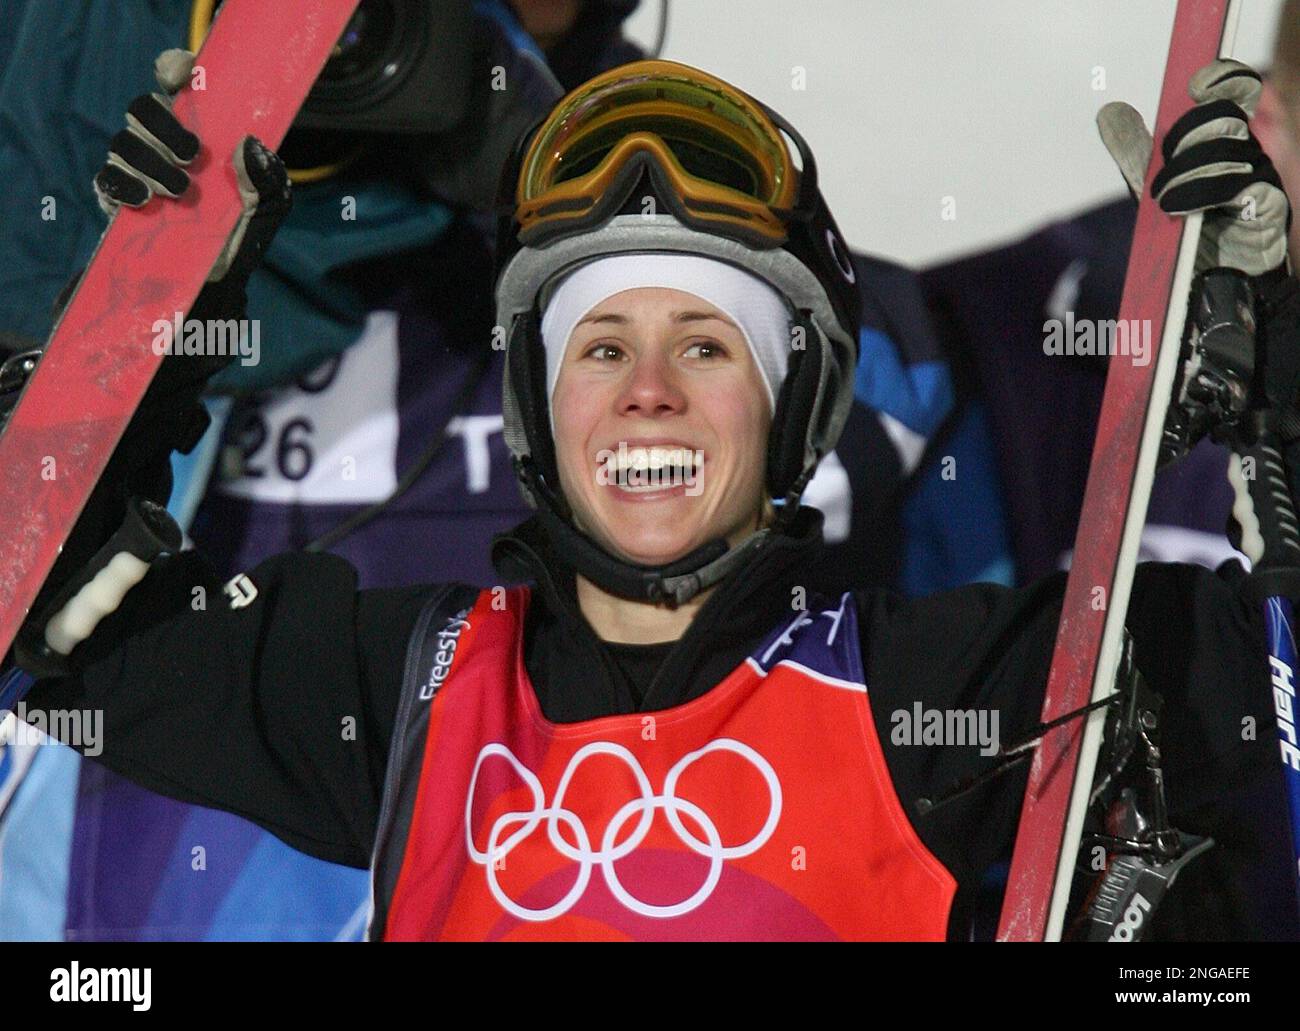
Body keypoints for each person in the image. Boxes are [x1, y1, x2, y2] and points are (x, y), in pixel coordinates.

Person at [7, 55, 1293, 941]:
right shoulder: (402, 694)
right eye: (602, 346)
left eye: (708, 344)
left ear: (791, 410)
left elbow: (1280, 705)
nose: (648, 392)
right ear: (540, 409)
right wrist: (138, 315)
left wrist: (1278, 365)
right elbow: (47, 628)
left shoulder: (940, 694)